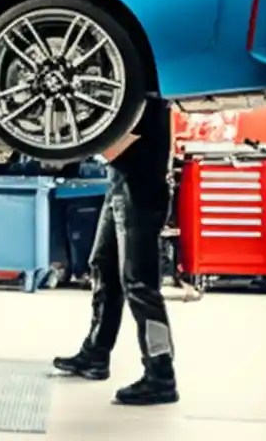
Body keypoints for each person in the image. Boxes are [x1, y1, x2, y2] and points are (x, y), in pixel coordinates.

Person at [53, 96, 179, 405]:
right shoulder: (131, 96)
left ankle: (161, 375)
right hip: (121, 185)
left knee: (140, 287)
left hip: (142, 193)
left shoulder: (145, 99)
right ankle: (96, 355)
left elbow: (117, 147)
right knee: (104, 269)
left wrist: (73, 141)